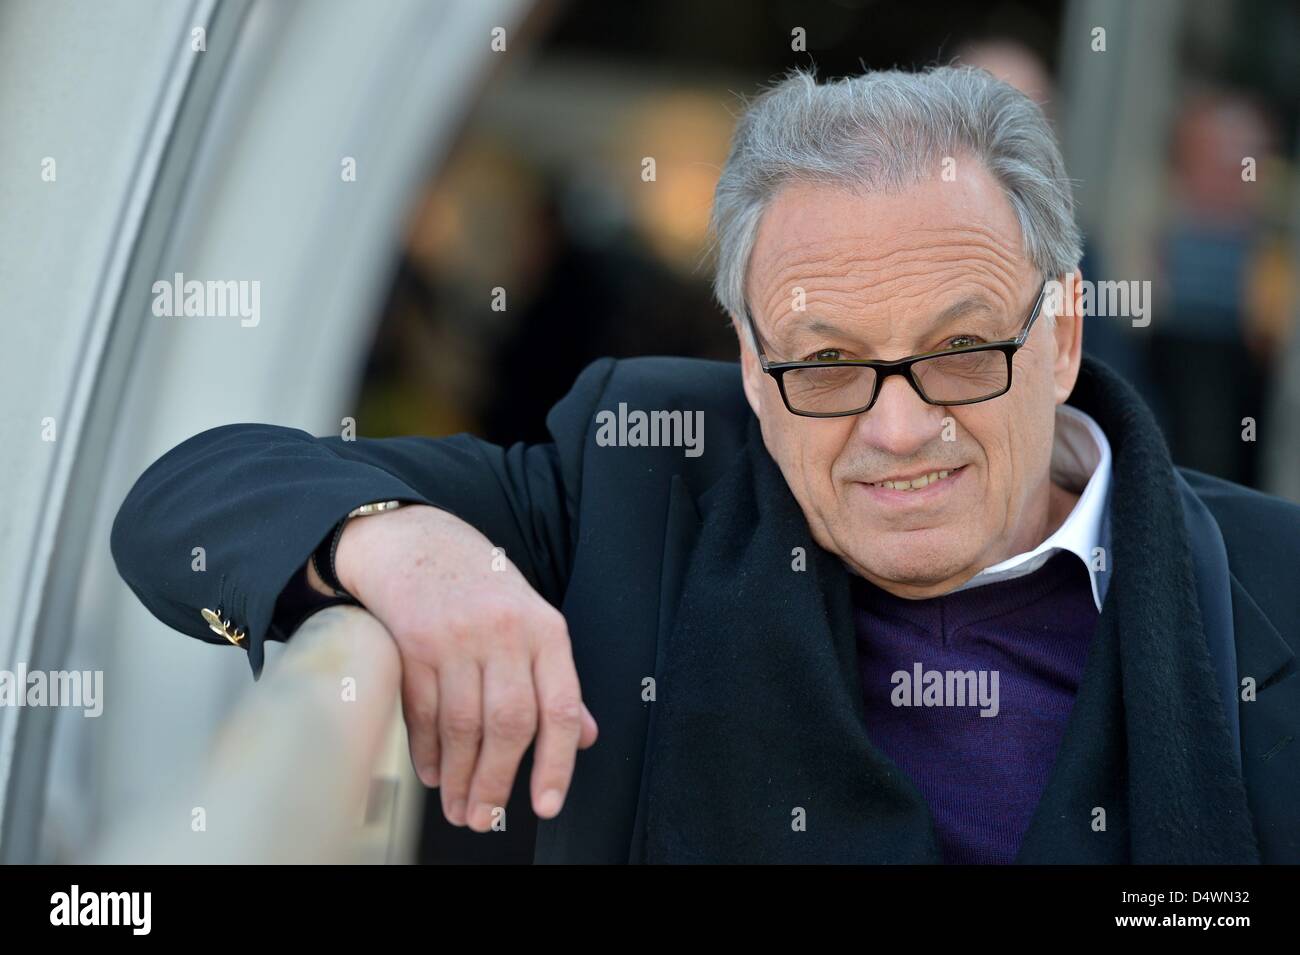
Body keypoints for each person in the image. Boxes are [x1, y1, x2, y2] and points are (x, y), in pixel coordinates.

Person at [111, 66, 1300, 864]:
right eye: (826, 363)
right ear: (746, 360)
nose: (895, 429)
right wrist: (401, 543)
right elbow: (187, 505)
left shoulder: (1274, 583)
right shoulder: (636, 479)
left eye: (956, 351)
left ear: (1060, 336)